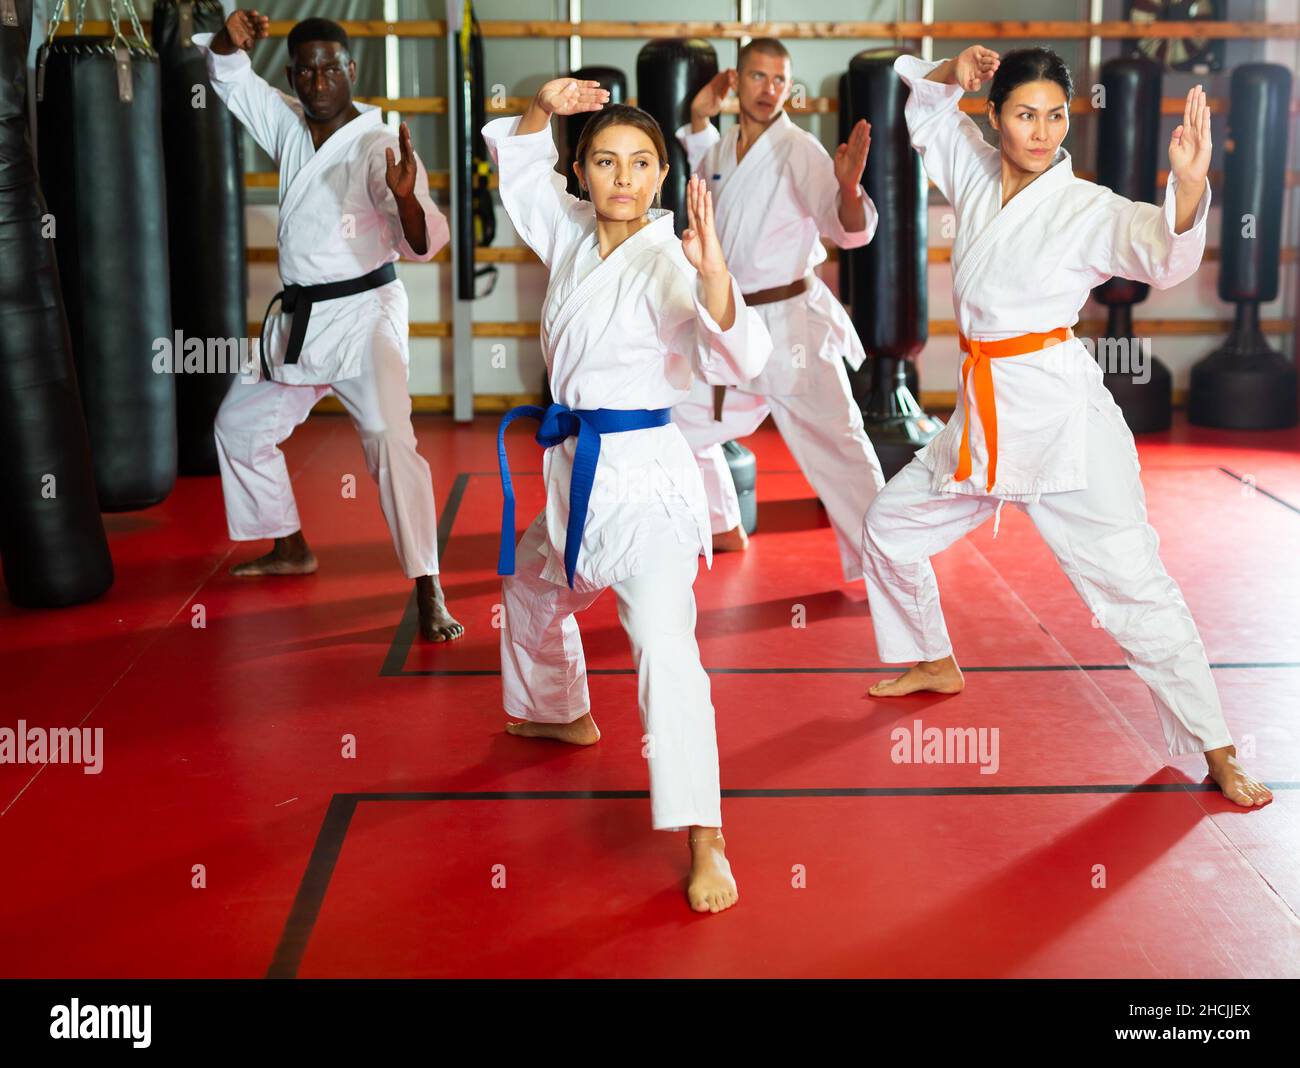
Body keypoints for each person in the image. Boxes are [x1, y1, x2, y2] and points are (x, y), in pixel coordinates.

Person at [861, 45, 1271, 807]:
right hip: (981, 423)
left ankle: (1215, 748)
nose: (1042, 131)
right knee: (887, 527)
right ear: (996, 116)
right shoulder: (976, 173)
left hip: (1060, 424)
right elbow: (924, 107)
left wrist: (1185, 188)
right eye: (1025, 114)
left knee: (1133, 587)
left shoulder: (1083, 206)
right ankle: (931, 657)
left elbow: (1158, 248)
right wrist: (952, 66)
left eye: (1055, 115)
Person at [482, 80, 774, 912]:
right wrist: (541, 105)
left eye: (641, 164)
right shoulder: (567, 229)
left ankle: (705, 834)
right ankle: (557, 709)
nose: (623, 178)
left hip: (643, 481)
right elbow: (519, 163)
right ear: (581, 171)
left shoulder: (671, 258)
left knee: (663, 647)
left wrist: (717, 278)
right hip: (572, 470)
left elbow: (740, 350)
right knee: (529, 586)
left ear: (660, 176)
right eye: (605, 161)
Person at [195, 10, 463, 641]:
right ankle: (290, 545)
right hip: (300, 319)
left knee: (390, 440)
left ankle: (428, 584)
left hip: (364, 316)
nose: (318, 81)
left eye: (330, 68)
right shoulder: (291, 124)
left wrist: (403, 197)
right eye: (305, 70)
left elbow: (423, 242)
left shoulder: (378, 146)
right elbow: (234, 82)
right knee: (237, 425)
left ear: (351, 71)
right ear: (294, 74)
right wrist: (226, 45)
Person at [671, 37, 885, 576]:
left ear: (790, 86)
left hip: (791, 327)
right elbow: (705, 163)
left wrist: (850, 188)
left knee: (841, 451)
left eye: (780, 80)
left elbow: (847, 231)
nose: (770, 90)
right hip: (734, 326)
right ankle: (721, 522)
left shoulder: (799, 150)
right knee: (674, 418)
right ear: (736, 81)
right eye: (758, 77)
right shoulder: (723, 149)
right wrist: (700, 113)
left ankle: (890, 562)